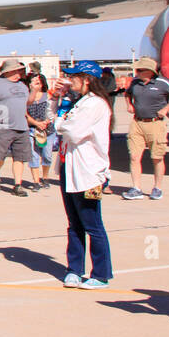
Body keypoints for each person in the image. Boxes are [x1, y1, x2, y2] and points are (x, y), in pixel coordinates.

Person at [52, 60, 114, 288]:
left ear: (87, 79)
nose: (70, 80)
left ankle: (101, 274)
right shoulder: (79, 102)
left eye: (74, 76)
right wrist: (59, 100)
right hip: (70, 169)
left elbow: (74, 132)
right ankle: (74, 269)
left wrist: (61, 119)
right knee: (74, 223)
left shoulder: (95, 104)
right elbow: (56, 121)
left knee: (92, 224)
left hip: (88, 172)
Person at [123, 57, 169, 201]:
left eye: (139, 70)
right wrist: (129, 105)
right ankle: (136, 188)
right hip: (137, 123)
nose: (136, 72)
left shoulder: (162, 83)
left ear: (150, 71)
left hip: (155, 124)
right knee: (134, 156)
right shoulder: (135, 83)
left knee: (157, 157)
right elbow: (127, 94)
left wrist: (166, 108)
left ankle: (157, 188)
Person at [0, 58, 30, 194]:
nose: (18, 74)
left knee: (20, 157)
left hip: (22, 126)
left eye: (19, 71)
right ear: (7, 72)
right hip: (4, 125)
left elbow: (27, 104)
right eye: (15, 71)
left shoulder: (22, 86)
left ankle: (18, 185)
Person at [24, 72, 56, 188]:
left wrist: (46, 122)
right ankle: (36, 181)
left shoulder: (48, 95)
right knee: (33, 155)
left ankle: (45, 177)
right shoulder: (26, 97)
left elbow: (53, 111)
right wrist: (36, 123)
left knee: (47, 155)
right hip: (32, 129)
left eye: (38, 82)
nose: (36, 84)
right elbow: (24, 114)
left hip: (47, 130)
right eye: (33, 82)